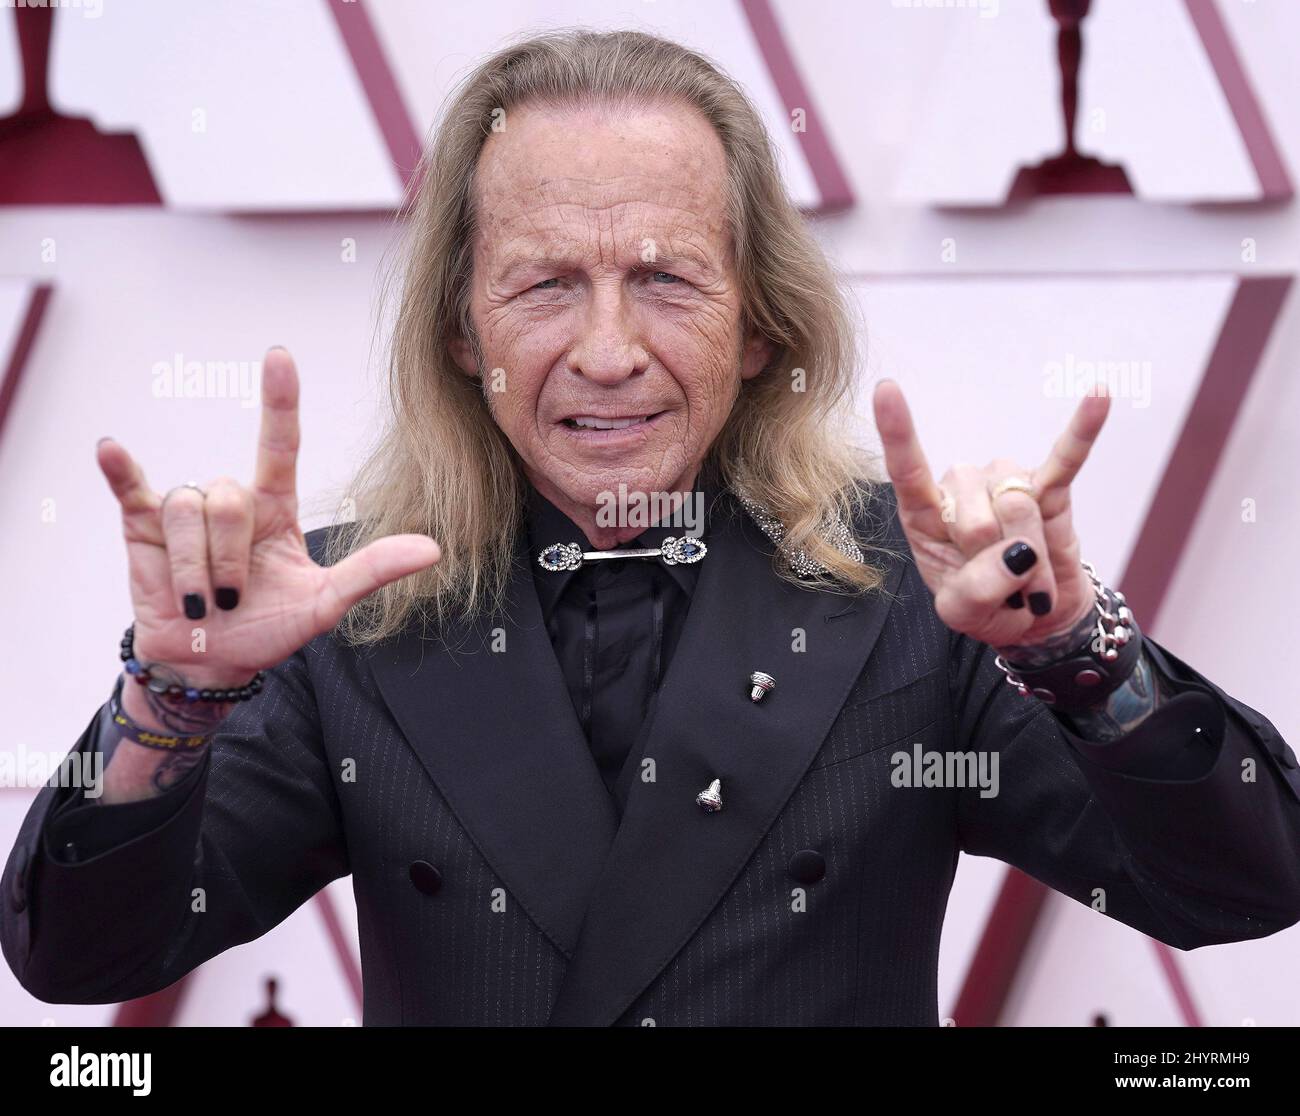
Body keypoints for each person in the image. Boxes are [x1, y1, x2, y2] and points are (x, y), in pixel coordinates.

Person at [3, 29, 1298, 1027]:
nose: (608, 352)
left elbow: (1245, 884)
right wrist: (170, 697)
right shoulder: (339, 613)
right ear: (462, 328)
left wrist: (1079, 647)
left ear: (757, 324)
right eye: (545, 283)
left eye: (667, 279)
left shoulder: (924, 597)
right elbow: (79, 958)